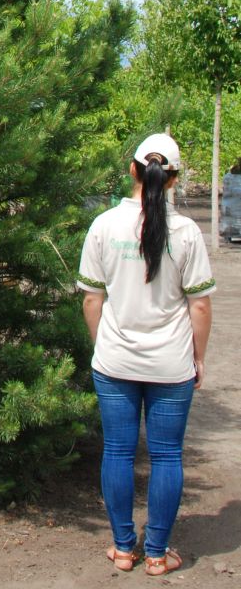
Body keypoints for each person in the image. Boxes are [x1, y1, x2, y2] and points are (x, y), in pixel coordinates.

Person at [77, 132, 215, 576]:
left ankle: (122, 549)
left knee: (117, 451)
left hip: (115, 360)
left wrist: (104, 346)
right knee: (167, 455)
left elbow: (91, 299)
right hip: (170, 364)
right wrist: (198, 358)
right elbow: (199, 304)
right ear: (173, 180)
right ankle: (157, 552)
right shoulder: (188, 232)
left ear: (132, 170)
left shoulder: (104, 225)